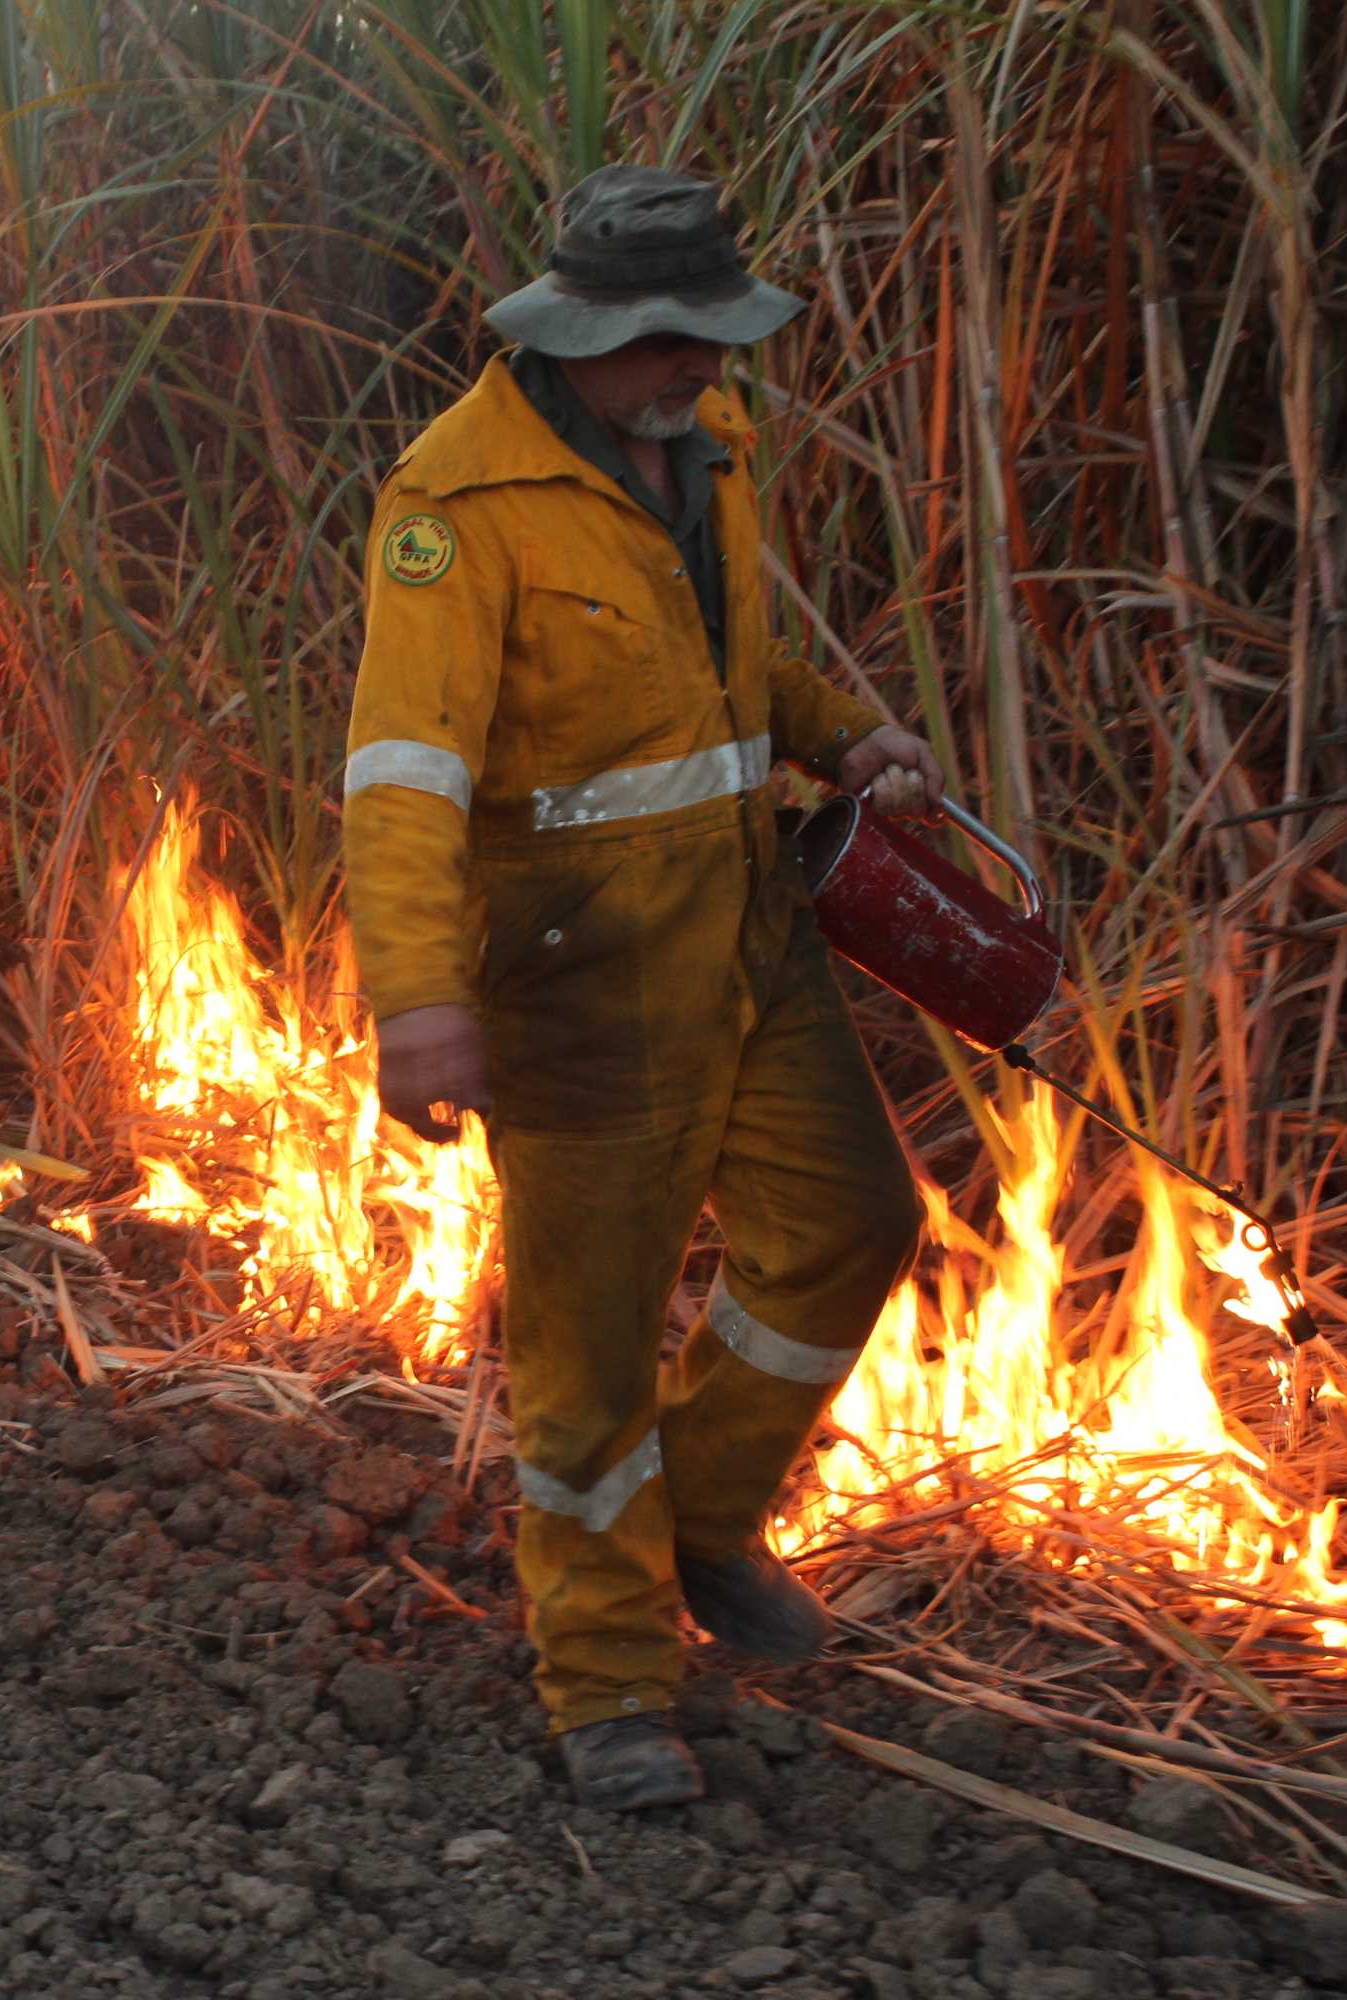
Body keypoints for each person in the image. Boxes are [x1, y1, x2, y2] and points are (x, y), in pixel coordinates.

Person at [341, 164, 939, 1810]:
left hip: (754, 934)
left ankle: (703, 1520)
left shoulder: (707, 445)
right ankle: (605, 1681)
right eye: (673, 337)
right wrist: (418, 998)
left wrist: (841, 732)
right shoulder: (452, 511)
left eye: (714, 332)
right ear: (583, 330)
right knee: (588, 1351)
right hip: (583, 980)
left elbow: (730, 659)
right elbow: (400, 776)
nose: (701, 362)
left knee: (852, 1226)